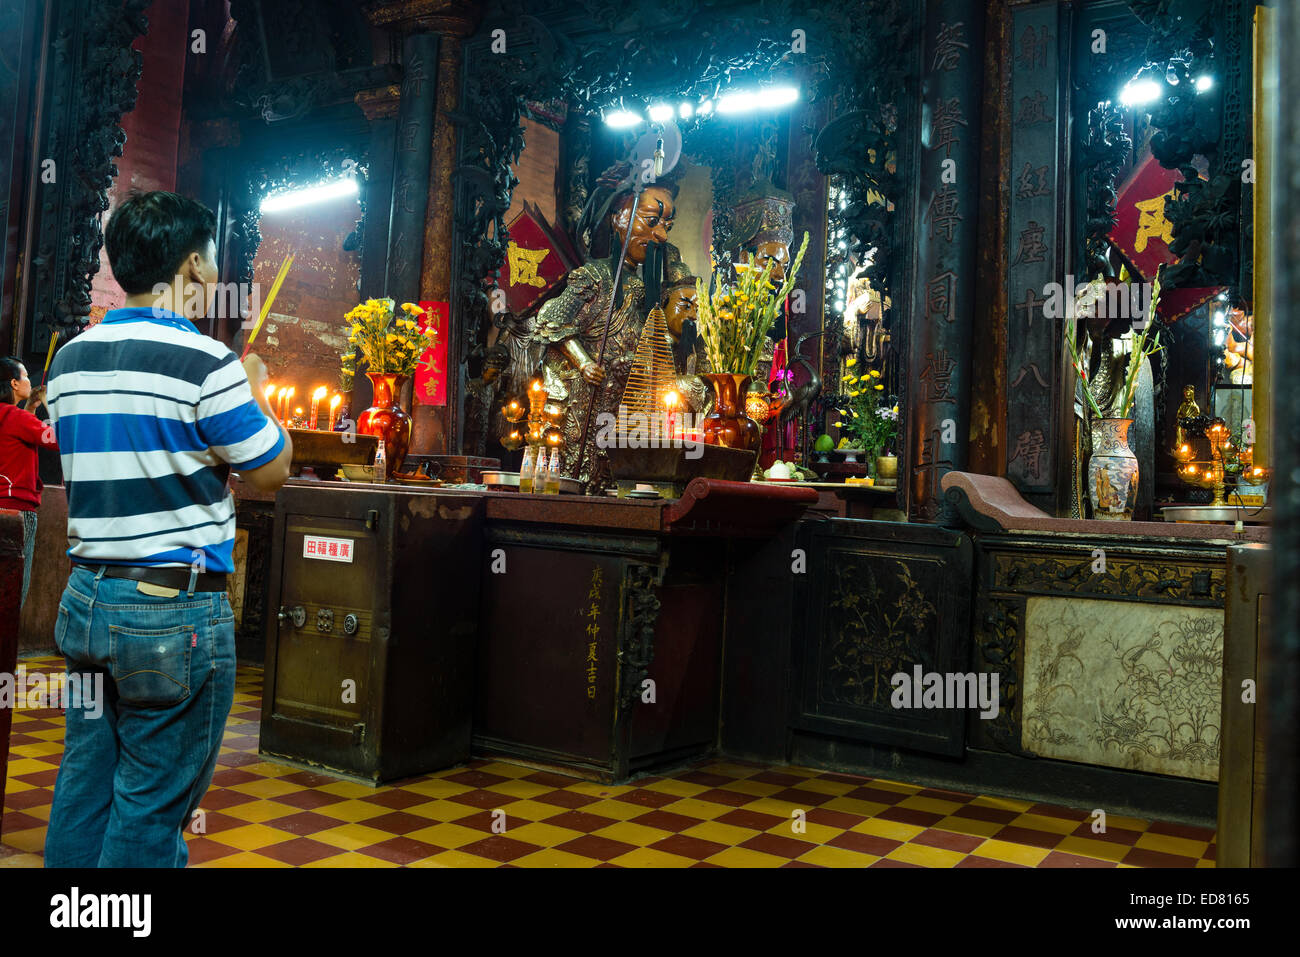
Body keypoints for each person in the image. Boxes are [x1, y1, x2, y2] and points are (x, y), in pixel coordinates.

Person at [43, 190, 293, 868]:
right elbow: (271, 471)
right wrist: (257, 388)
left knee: (84, 786)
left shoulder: (68, 360)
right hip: (169, 612)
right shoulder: (209, 365)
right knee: (150, 807)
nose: (215, 274)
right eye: (210, 259)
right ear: (189, 267)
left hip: (88, 600)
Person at [0, 356, 59, 606]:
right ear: (14, 383)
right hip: (16, 512)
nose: (29, 381)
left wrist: (32, 408)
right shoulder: (17, 417)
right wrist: (48, 403)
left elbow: (21, 431)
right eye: (25, 376)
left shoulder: (12, 417)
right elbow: (58, 440)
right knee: (13, 592)